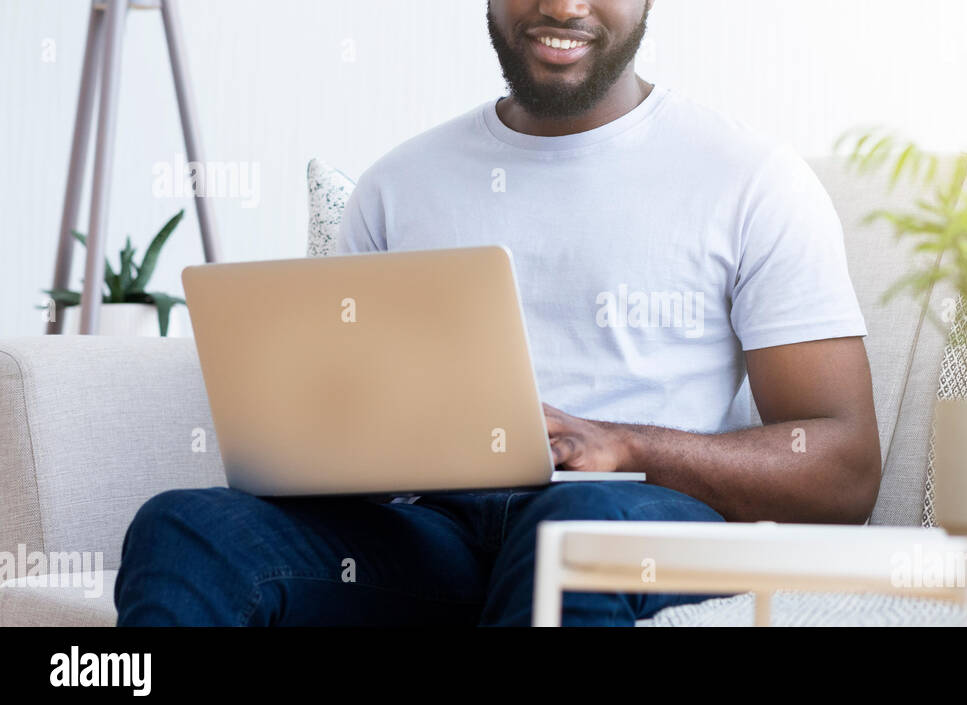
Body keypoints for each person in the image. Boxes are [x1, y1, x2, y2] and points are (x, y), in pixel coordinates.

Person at [114, 0, 881, 627]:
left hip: (633, 519)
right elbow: (336, 418)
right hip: (433, 534)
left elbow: (842, 470)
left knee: (567, 536)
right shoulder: (399, 185)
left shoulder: (749, 178)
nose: (561, 7)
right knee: (185, 527)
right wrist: (335, 455)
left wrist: (622, 442)